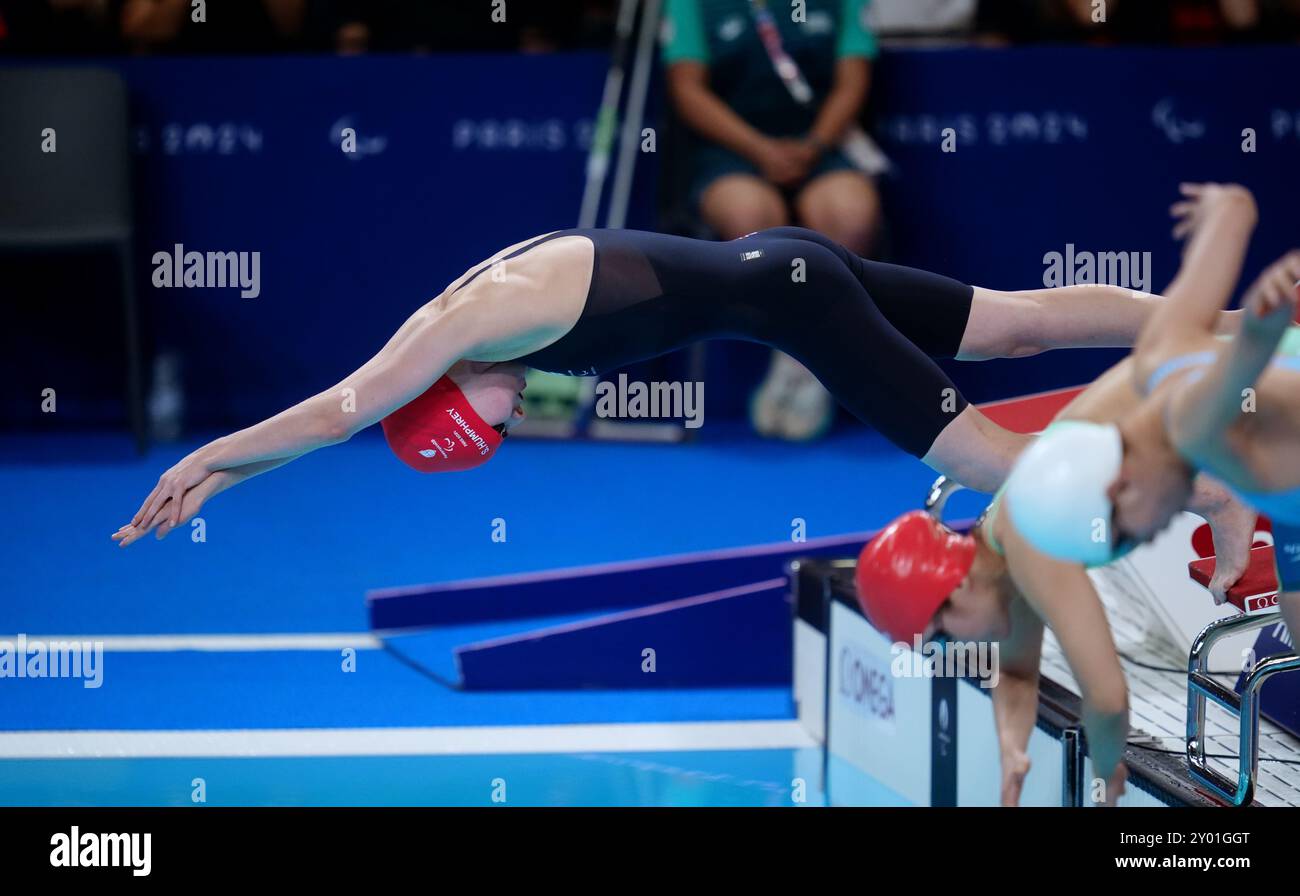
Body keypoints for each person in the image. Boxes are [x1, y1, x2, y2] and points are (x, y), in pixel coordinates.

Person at [113, 224, 1178, 547]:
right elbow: (360, 407)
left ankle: (1196, 471)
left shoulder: (469, 326)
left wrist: (213, 457)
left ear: (447, 394)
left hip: (795, 296)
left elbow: (345, 411)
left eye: (485, 429)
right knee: (1013, 323)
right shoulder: (459, 321)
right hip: (785, 259)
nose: (513, 420)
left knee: (991, 458)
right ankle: (1217, 328)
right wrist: (234, 472)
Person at [1005, 183, 1300, 639]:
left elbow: (1248, 352)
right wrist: (1216, 209)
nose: (1155, 535)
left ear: (1121, 486)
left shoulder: (1194, 426)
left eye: (1132, 536)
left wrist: (1261, 328)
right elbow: (1237, 208)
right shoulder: (1162, 348)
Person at [662, 0, 884, 440]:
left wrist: (815, 145)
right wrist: (760, 150)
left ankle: (803, 363)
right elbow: (688, 89)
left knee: (852, 214)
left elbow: (853, 76)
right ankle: (803, 349)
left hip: (819, 145)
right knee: (752, 218)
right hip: (730, 150)